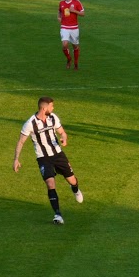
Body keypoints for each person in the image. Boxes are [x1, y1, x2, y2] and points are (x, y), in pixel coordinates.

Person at [12, 96, 84, 224]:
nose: (53, 108)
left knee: (72, 180)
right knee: (50, 184)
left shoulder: (53, 118)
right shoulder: (30, 123)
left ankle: (75, 189)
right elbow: (21, 141)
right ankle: (58, 214)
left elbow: (62, 132)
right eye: (51, 106)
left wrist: (64, 138)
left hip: (58, 155)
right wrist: (16, 159)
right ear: (44, 108)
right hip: (43, 158)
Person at [58, 0, 84, 70]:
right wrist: (59, 17)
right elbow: (59, 11)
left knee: (75, 46)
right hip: (64, 27)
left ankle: (76, 63)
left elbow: (83, 14)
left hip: (74, 28)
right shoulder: (61, 3)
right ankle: (69, 59)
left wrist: (74, 11)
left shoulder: (77, 2)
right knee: (64, 45)